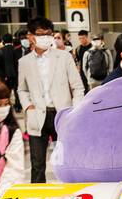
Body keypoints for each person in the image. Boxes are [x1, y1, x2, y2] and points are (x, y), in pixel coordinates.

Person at [17, 16, 84, 181]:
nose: (45, 37)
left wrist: (75, 109)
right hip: (37, 115)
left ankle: (72, 197)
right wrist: (28, 106)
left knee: (67, 161)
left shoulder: (64, 57)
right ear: (30, 36)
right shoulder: (24, 62)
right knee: (37, 164)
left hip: (62, 115)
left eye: (48, 34)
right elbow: (22, 89)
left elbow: (77, 87)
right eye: (40, 34)